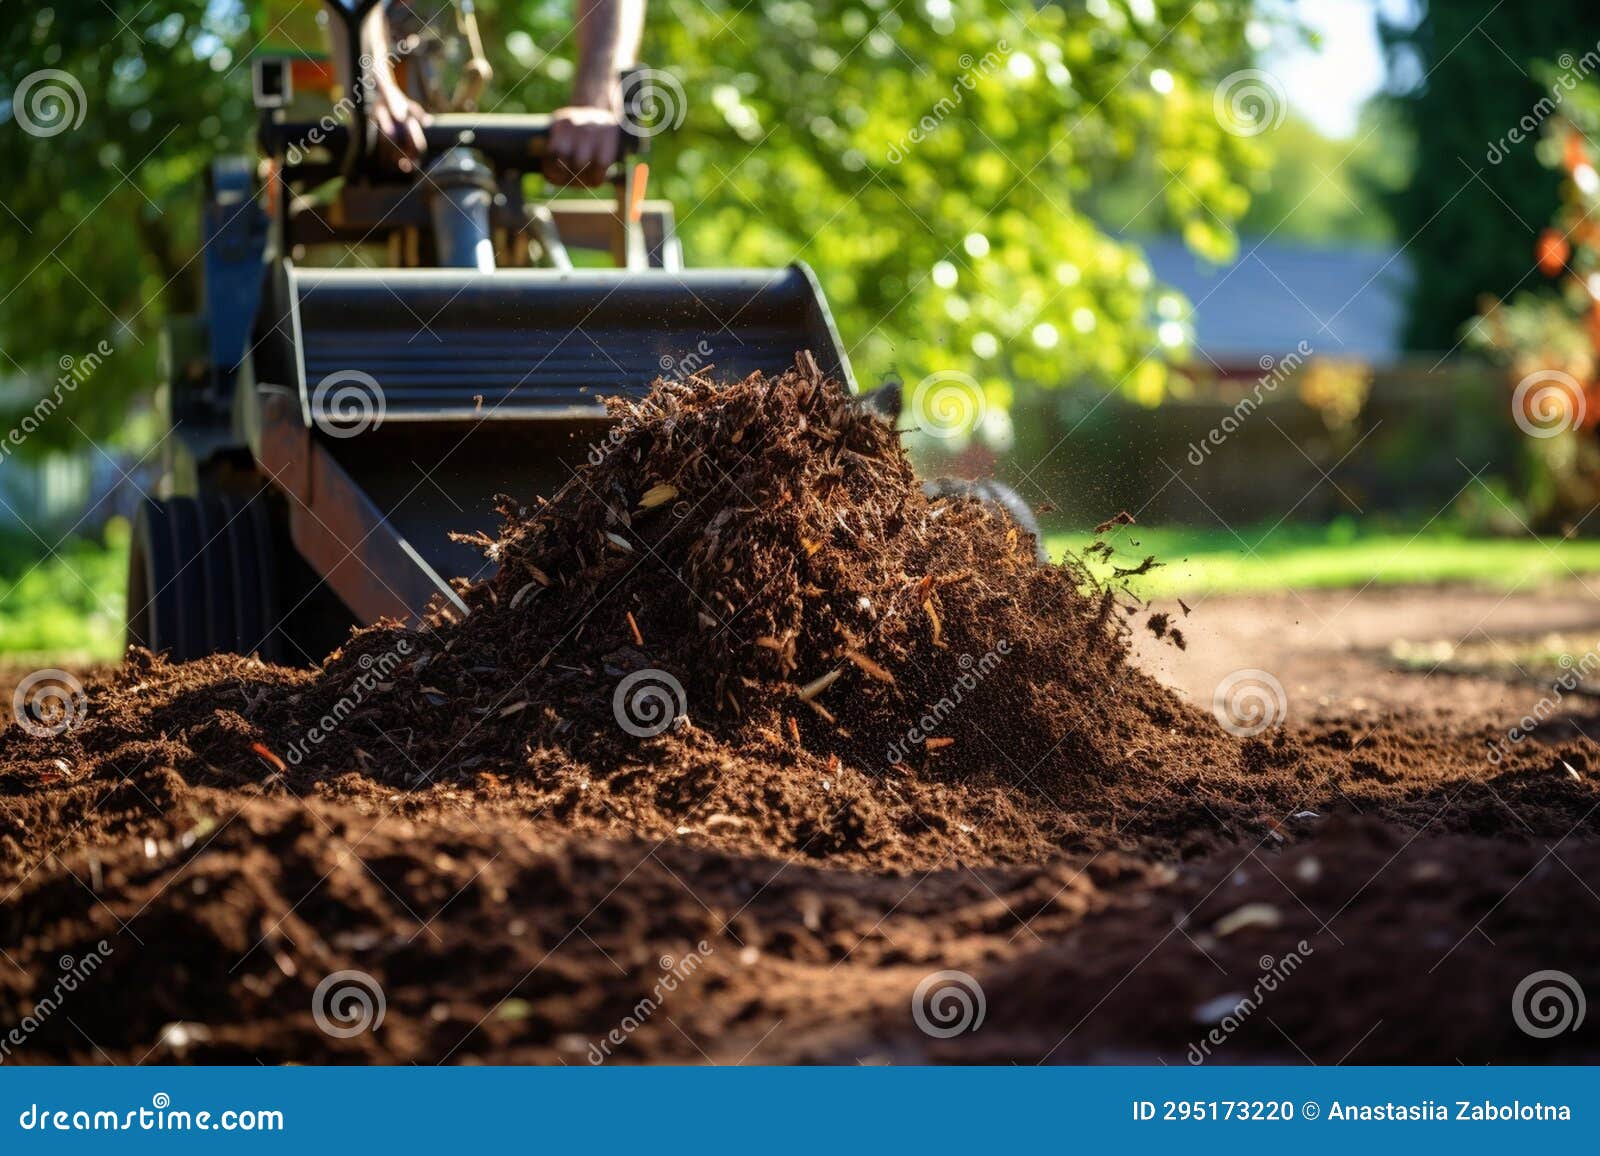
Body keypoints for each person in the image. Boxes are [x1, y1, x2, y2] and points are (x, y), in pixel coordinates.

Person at [257, 0, 644, 185]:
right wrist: (373, 84)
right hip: (318, 66)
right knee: (331, 259)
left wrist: (597, 102)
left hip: (440, 55)